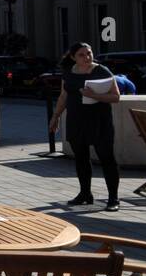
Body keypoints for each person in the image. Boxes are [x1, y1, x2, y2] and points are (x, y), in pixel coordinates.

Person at [48, 42, 121, 211]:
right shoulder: (68, 73)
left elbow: (116, 97)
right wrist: (55, 116)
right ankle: (85, 194)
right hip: (76, 120)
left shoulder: (102, 71)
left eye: (89, 53)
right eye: (82, 54)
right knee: (81, 159)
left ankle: (113, 198)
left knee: (107, 159)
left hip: (99, 121)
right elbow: (63, 96)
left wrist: (94, 95)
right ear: (73, 57)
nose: (87, 57)